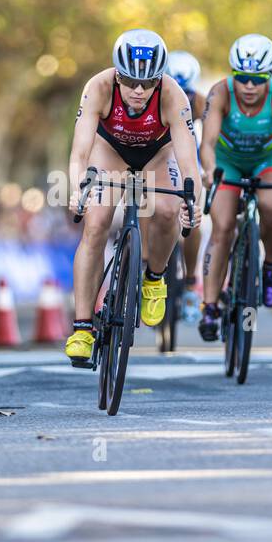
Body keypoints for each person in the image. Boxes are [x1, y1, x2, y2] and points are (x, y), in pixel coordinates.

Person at [65, 29, 203, 363]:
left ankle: (154, 279)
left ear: (160, 79)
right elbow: (80, 152)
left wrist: (193, 202)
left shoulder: (173, 96)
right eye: (130, 81)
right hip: (110, 152)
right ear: (117, 74)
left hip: (157, 154)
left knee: (169, 210)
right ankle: (83, 328)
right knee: (96, 223)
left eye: (148, 82)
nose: (139, 91)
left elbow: (188, 161)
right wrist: (76, 188)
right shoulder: (97, 87)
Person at [197, 34, 272, 340]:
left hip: (267, 160)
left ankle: (271, 267)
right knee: (222, 227)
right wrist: (209, 171)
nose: (248, 86)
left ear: (269, 76)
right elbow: (206, 143)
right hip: (227, 162)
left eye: (257, 80)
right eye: (242, 78)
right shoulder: (219, 92)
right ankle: (209, 306)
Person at [167, 50, 207, 318]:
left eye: (188, 93)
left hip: (188, 159)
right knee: (144, 209)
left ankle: (191, 279)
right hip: (157, 158)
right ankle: (142, 264)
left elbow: (212, 137)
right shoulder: (154, 94)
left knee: (193, 220)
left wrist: (209, 169)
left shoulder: (201, 102)